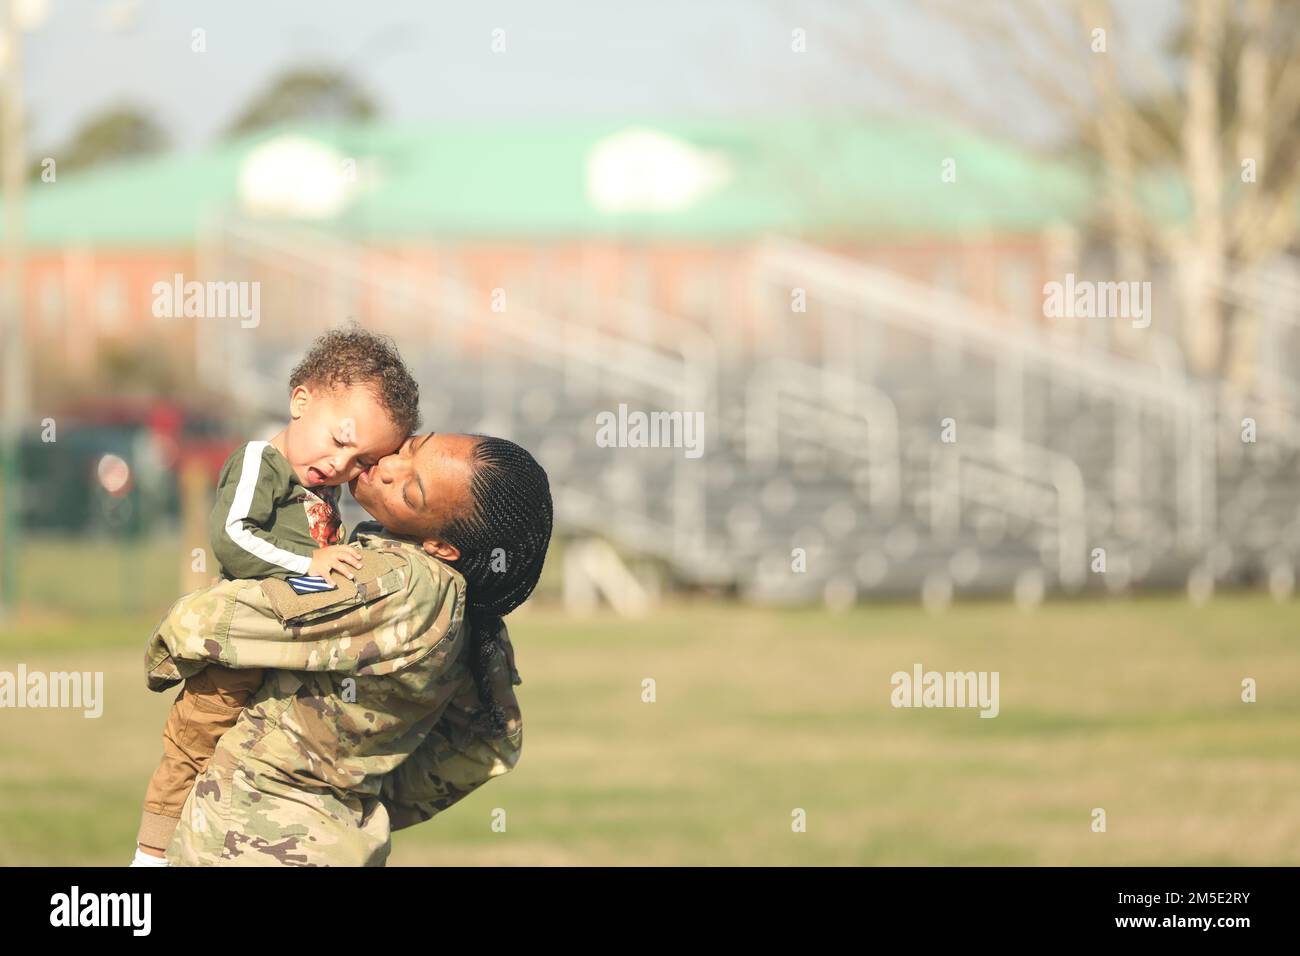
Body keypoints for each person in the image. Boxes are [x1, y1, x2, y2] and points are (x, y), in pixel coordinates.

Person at [141, 432, 553, 866]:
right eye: (412, 447)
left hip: (249, 844)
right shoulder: (469, 608)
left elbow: (201, 624)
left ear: (442, 546)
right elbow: (488, 744)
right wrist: (349, 801)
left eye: (411, 491)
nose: (389, 468)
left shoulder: (394, 582)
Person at [132, 327, 421, 866]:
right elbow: (233, 537)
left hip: (292, 652)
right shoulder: (259, 462)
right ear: (300, 400)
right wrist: (309, 562)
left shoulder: (323, 488)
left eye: (362, 461)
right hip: (241, 645)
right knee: (194, 745)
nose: (342, 465)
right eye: (340, 441)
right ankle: (148, 857)